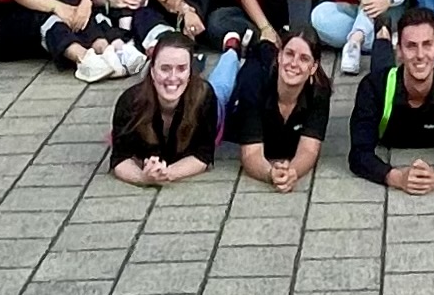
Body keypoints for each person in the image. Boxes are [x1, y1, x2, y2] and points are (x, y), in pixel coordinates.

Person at [347, 4, 434, 193]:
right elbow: (358, 155)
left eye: (427, 44)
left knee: (409, 65)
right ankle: (382, 33)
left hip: (420, 75)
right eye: (411, 46)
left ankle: (384, 32)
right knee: (382, 66)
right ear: (399, 50)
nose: (420, 55)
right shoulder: (372, 87)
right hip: (388, 77)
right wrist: (397, 178)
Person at [224, 31, 332, 191]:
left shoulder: (320, 91)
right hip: (240, 92)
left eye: (304, 59)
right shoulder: (253, 86)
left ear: (313, 67)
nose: (294, 63)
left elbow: (309, 149)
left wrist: (292, 172)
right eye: (289, 54)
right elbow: (251, 153)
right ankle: (231, 51)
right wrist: (269, 174)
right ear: (279, 56)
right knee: (220, 91)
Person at [110, 30, 221, 184]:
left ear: (190, 72)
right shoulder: (130, 102)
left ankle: (232, 52)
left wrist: (166, 173)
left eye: (182, 68)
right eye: (165, 68)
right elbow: (119, 159)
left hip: (215, 102)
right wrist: (143, 178)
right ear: (152, 71)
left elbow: (203, 156)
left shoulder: (205, 97)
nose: (173, 77)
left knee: (224, 86)